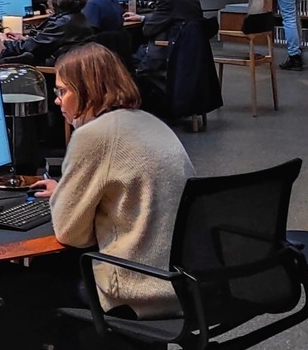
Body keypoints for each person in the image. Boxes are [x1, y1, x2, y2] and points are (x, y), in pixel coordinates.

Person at [28, 44, 196, 318]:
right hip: (182, 280)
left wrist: (63, 199)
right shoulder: (150, 122)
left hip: (134, 289)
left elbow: (71, 233)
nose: (57, 100)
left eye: (62, 91)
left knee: (32, 278)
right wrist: (66, 191)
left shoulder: (92, 137)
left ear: (87, 90)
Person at [132, 0, 204, 83]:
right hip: (186, 52)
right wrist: (142, 18)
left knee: (126, 56)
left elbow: (148, 30)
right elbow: (172, 17)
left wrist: (148, 21)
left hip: (164, 52)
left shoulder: (168, 0)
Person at [1, 0, 94, 65]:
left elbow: (29, 48)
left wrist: (3, 41)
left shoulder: (63, 23)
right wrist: (26, 38)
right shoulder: (79, 17)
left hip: (54, 70)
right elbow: (45, 41)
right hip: (70, 67)